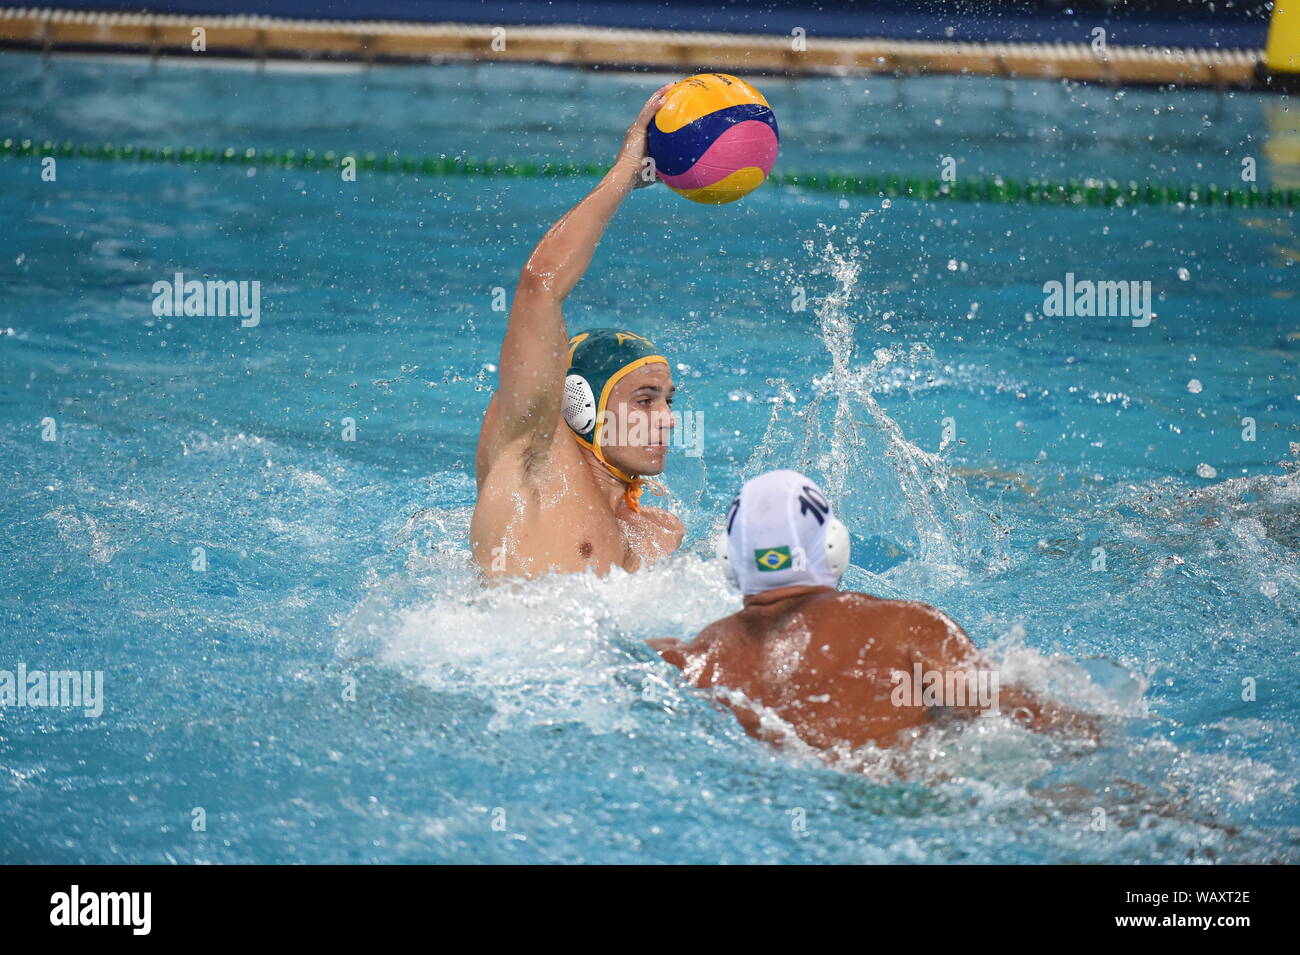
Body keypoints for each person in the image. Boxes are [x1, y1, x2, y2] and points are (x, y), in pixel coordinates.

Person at [649, 470, 1098, 751]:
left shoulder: (688, 661)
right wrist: (1101, 730)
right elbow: (1022, 713)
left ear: (730, 559)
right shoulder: (908, 626)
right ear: (833, 546)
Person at [471, 85, 684, 579]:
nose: (668, 421)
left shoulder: (660, 532)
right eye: (646, 399)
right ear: (581, 403)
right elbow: (539, 288)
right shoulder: (533, 458)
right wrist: (624, 174)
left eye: (669, 401)